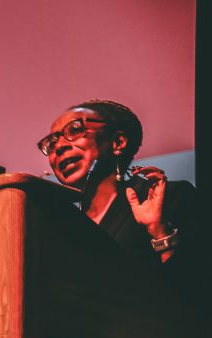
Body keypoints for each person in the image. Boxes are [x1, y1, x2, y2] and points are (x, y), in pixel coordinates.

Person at [38, 99, 206, 310]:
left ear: (118, 142)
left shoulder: (171, 198)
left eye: (74, 129)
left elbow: (196, 296)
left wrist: (160, 232)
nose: (59, 146)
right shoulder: (60, 228)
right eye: (51, 143)